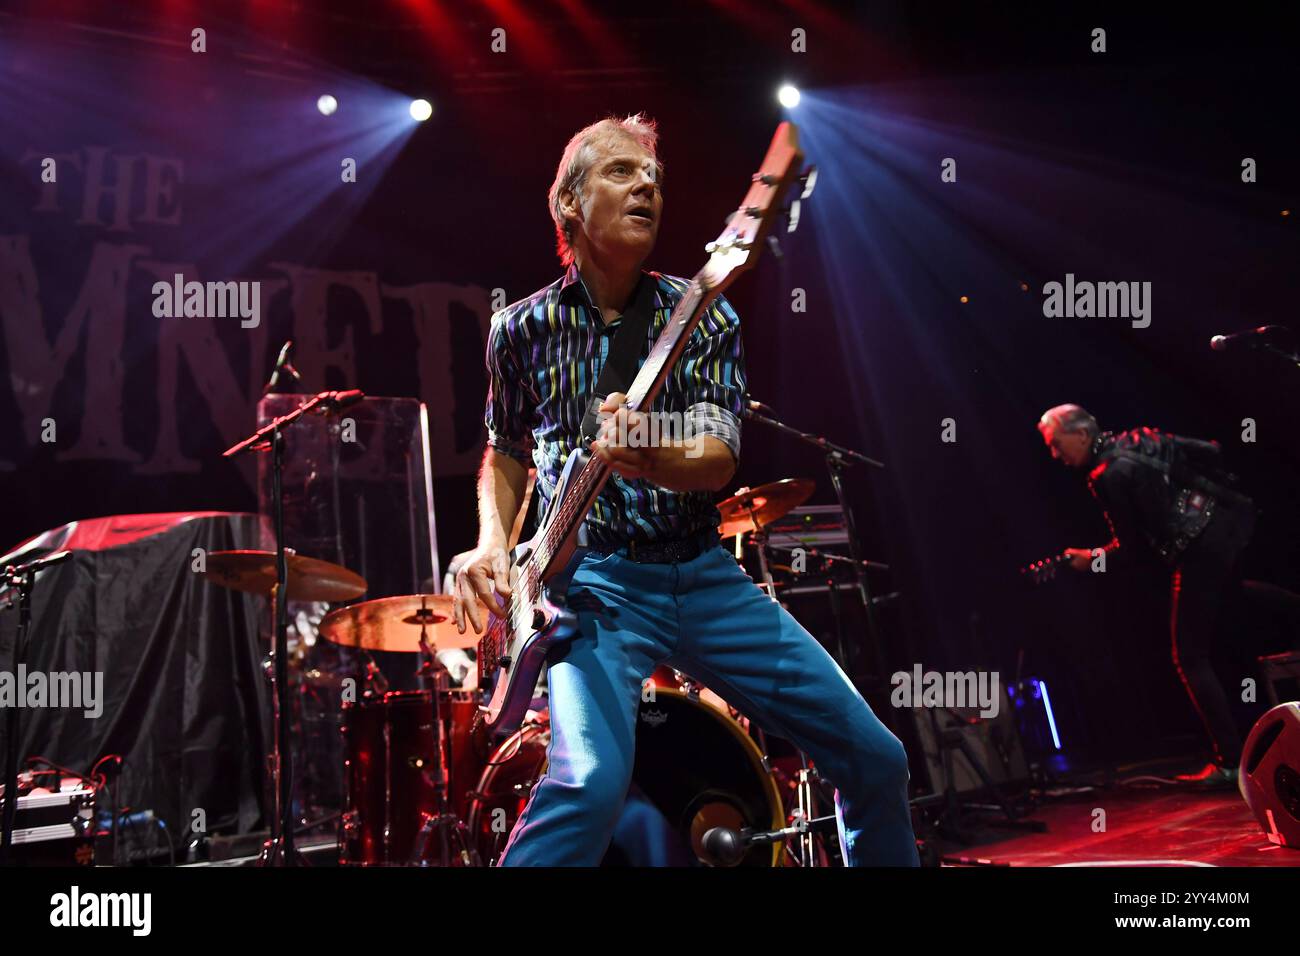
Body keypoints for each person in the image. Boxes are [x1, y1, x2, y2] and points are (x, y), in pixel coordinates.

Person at [451, 113, 918, 865]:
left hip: (703, 576)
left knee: (876, 756)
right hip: (594, 588)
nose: (647, 185)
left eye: (655, 178)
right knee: (591, 784)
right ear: (568, 203)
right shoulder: (519, 329)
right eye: (622, 172)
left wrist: (647, 452)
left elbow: (718, 452)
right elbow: (506, 451)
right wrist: (492, 546)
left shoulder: (701, 311)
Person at [1037, 403, 1283, 786]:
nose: (1055, 455)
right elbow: (1213, 451)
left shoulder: (1107, 476)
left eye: (1055, 444)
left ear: (1081, 435)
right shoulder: (1141, 437)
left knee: (1189, 655)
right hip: (1232, 522)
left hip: (1199, 548)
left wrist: (1093, 559)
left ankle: (1230, 762)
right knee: (1236, 596)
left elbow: (1133, 550)